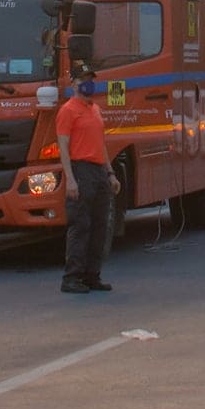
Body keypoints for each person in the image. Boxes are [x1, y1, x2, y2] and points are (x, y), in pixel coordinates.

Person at [56, 63, 118, 294]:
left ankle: (93, 275)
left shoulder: (95, 109)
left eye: (91, 78)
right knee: (80, 225)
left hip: (98, 171)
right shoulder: (68, 111)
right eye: (83, 79)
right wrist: (70, 179)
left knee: (100, 226)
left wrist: (110, 173)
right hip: (80, 169)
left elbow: (100, 144)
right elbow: (63, 146)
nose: (88, 83)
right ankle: (72, 277)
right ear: (74, 83)